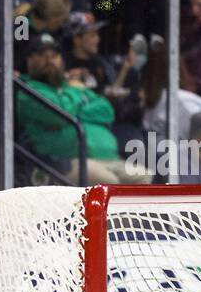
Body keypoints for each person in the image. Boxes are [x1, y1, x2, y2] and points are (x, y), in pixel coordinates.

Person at [16, 33, 150, 186]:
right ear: (30, 60)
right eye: (42, 55)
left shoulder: (70, 87)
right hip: (65, 162)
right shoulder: (28, 91)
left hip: (108, 158)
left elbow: (106, 111)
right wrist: (79, 98)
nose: (49, 60)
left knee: (145, 178)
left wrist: (74, 106)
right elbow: (61, 114)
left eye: (54, 55)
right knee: (109, 184)